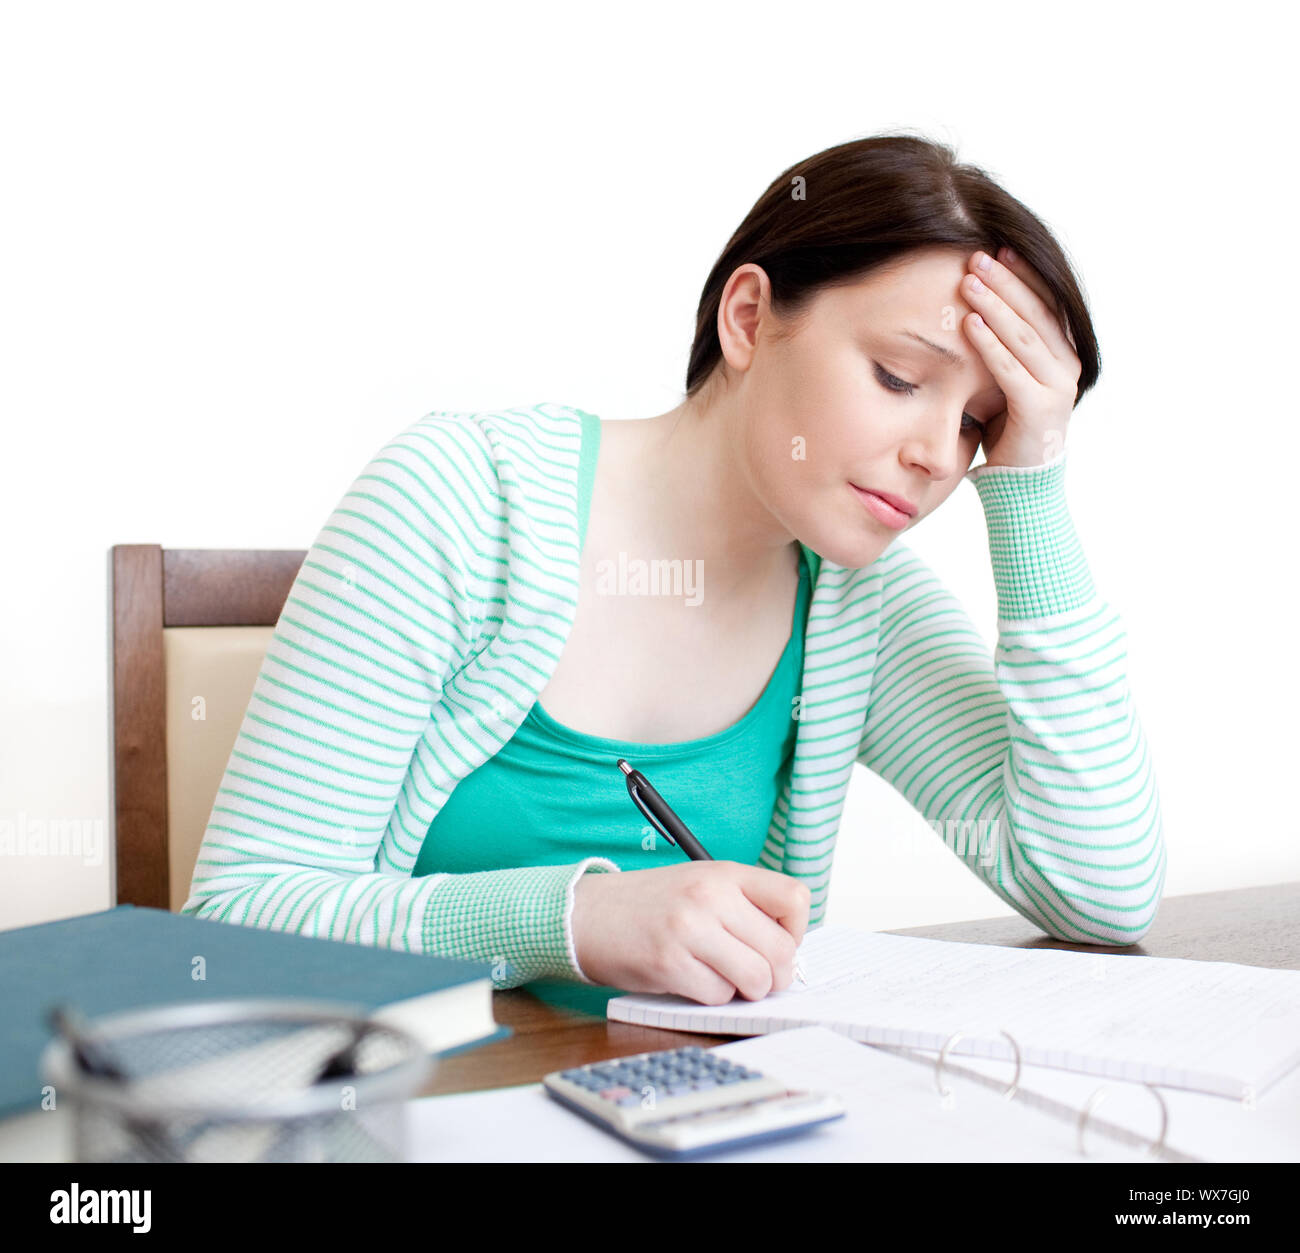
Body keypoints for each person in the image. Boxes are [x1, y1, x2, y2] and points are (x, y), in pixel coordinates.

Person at [182, 132, 1165, 1015]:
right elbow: (234, 925)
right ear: (748, 317)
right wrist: (574, 918)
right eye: (900, 378)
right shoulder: (458, 504)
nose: (938, 457)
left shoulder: (856, 601)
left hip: (693, 1110)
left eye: (975, 425)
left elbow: (1102, 886)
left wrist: (1031, 489)